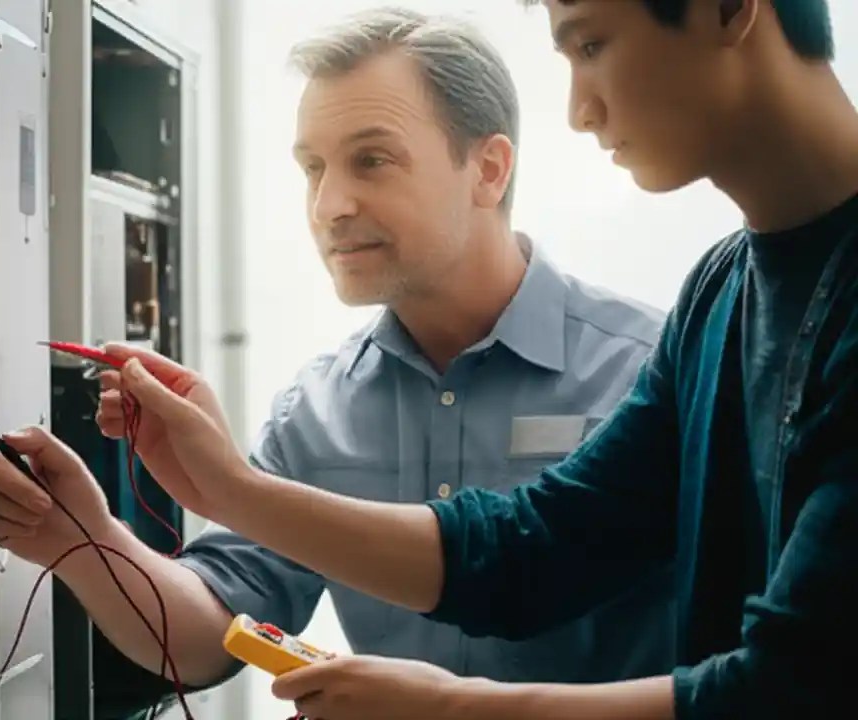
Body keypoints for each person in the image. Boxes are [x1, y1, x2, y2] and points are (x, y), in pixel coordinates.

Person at [47, 0, 858, 717]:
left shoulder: (656, 342)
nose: (577, 109)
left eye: (591, 44)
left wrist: (450, 710)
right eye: (313, 169)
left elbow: (796, 688)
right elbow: (531, 549)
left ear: (727, 8)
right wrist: (217, 491)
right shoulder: (719, 296)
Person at [0, 6, 675, 714]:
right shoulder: (317, 410)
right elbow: (209, 632)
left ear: (487, 170)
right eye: (313, 169)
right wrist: (83, 537)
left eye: (372, 159)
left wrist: (231, 487)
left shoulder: (653, 372)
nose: (329, 205)